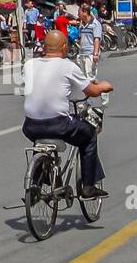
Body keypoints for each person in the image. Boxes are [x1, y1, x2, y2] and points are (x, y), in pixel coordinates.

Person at [21, 30, 114, 198]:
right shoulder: (68, 66)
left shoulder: (29, 65)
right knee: (89, 135)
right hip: (59, 125)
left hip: (30, 127)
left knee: (40, 137)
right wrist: (104, 86)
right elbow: (92, 91)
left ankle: (40, 180)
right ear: (64, 47)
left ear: (44, 47)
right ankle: (88, 187)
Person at [77, 3, 103, 83]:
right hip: (82, 53)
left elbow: (97, 39)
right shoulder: (82, 24)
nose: (78, 15)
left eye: (79, 12)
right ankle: (86, 94)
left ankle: (93, 92)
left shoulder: (95, 24)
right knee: (82, 77)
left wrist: (95, 54)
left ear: (85, 12)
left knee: (90, 77)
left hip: (90, 53)